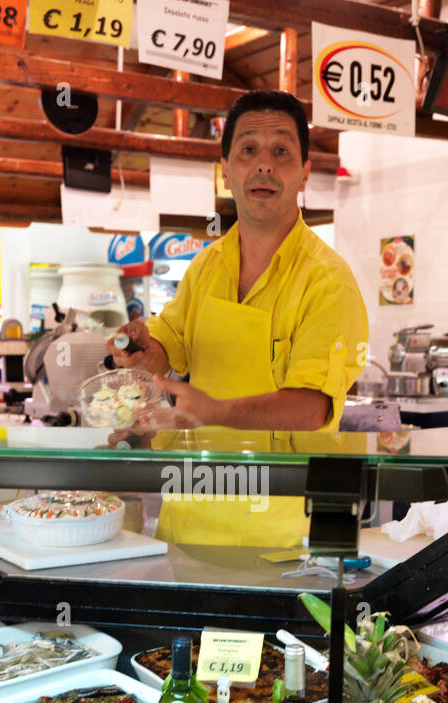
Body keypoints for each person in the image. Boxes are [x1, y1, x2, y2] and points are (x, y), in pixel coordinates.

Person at [108, 89, 368, 545]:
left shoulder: (328, 280)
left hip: (284, 537)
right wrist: (141, 351)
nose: (264, 164)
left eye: (282, 151)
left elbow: (313, 407)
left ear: (305, 171)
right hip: (188, 523)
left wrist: (215, 412)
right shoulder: (207, 265)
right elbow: (166, 348)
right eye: (248, 150)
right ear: (226, 170)